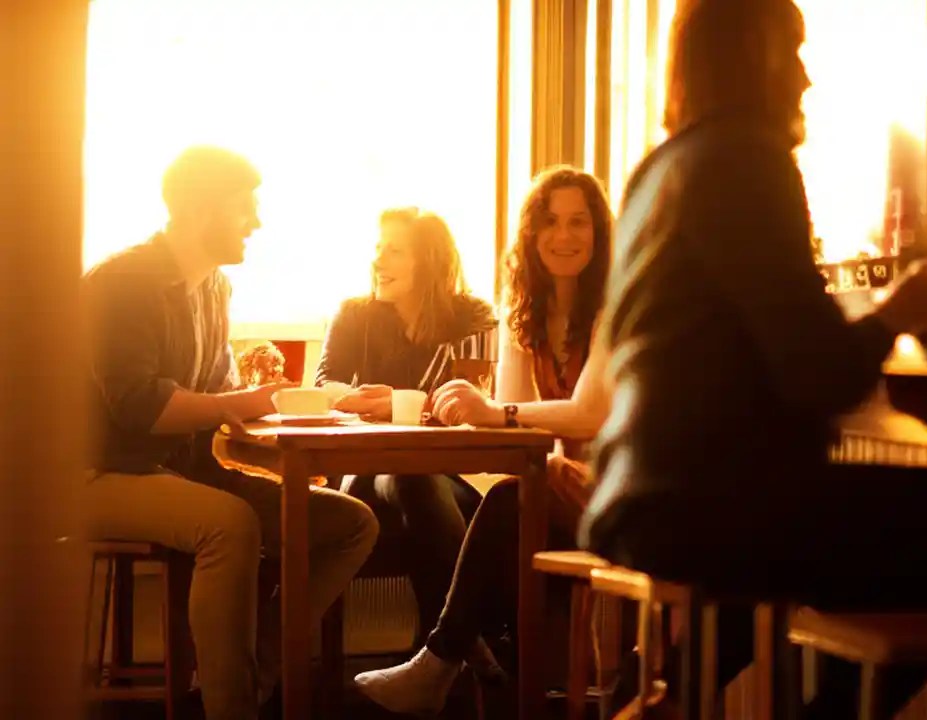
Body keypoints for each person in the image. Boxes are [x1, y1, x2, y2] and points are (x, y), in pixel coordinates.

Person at [577, 0, 927, 714]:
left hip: (637, 495)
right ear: (755, 58)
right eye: (792, 54)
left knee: (783, 555)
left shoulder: (658, 170)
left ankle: (673, 693)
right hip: (706, 502)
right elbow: (820, 375)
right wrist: (892, 314)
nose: (804, 78)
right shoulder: (748, 158)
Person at [83, 146, 379, 720]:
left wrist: (310, 410)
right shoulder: (121, 283)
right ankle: (228, 708)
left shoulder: (215, 287)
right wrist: (242, 401)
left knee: (350, 522)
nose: (257, 223)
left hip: (186, 473)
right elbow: (141, 409)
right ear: (200, 211)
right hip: (99, 473)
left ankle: (253, 674)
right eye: (245, 209)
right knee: (229, 525)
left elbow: (219, 393)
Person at [351, 165, 614, 715]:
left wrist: (495, 412)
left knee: (507, 501)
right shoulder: (524, 314)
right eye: (550, 223)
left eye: (578, 223)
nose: (564, 237)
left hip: (620, 488)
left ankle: (442, 661)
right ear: (530, 235)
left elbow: (588, 415)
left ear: (599, 233)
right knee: (508, 501)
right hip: (560, 485)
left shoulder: (615, 308)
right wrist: (485, 414)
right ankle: (492, 674)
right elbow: (509, 434)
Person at [315, 208, 496, 647]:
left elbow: (464, 404)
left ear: (429, 260)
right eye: (378, 248)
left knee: (417, 481)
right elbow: (324, 387)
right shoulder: (353, 315)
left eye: (394, 250)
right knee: (410, 478)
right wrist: (403, 402)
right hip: (361, 473)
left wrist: (390, 402)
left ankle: (438, 657)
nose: (378, 260)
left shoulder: (473, 319)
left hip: (441, 478)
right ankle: (463, 652)